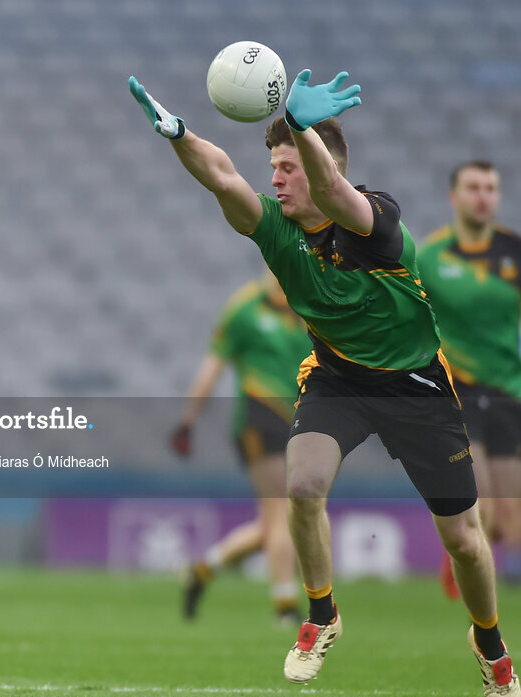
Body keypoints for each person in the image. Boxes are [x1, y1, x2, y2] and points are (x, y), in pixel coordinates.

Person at [129, 68, 519, 695]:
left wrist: (301, 128)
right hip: (337, 379)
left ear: (319, 167)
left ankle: (491, 644)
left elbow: (336, 194)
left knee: (465, 542)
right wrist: (179, 134)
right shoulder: (276, 230)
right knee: (303, 486)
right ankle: (321, 614)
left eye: (287, 168)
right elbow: (223, 176)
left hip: (416, 385)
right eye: (274, 167)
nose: (275, 179)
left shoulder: (377, 219)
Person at [173, 270, 308, 625]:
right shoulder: (245, 308)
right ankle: (285, 606)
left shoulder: (309, 301)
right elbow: (212, 366)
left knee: (271, 525)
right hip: (259, 419)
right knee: (284, 512)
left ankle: (202, 570)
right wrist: (188, 421)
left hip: (298, 422)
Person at [417, 161, 521, 595]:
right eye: (473, 187)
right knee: (485, 508)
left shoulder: (514, 251)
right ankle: (477, 605)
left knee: (511, 522)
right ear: (454, 196)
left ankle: (462, 551)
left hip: (508, 391)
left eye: (490, 188)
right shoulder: (430, 257)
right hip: (456, 391)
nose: (483, 196)